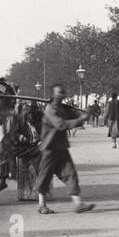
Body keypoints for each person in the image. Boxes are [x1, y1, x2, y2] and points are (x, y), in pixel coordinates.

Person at [34, 84, 94, 214]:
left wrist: (85, 114)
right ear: (53, 94)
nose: (62, 95)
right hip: (49, 148)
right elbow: (61, 125)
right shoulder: (50, 109)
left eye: (63, 92)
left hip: (61, 147)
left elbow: (74, 116)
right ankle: (41, 205)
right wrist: (80, 119)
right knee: (45, 176)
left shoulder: (63, 108)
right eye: (59, 92)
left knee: (70, 174)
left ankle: (78, 203)